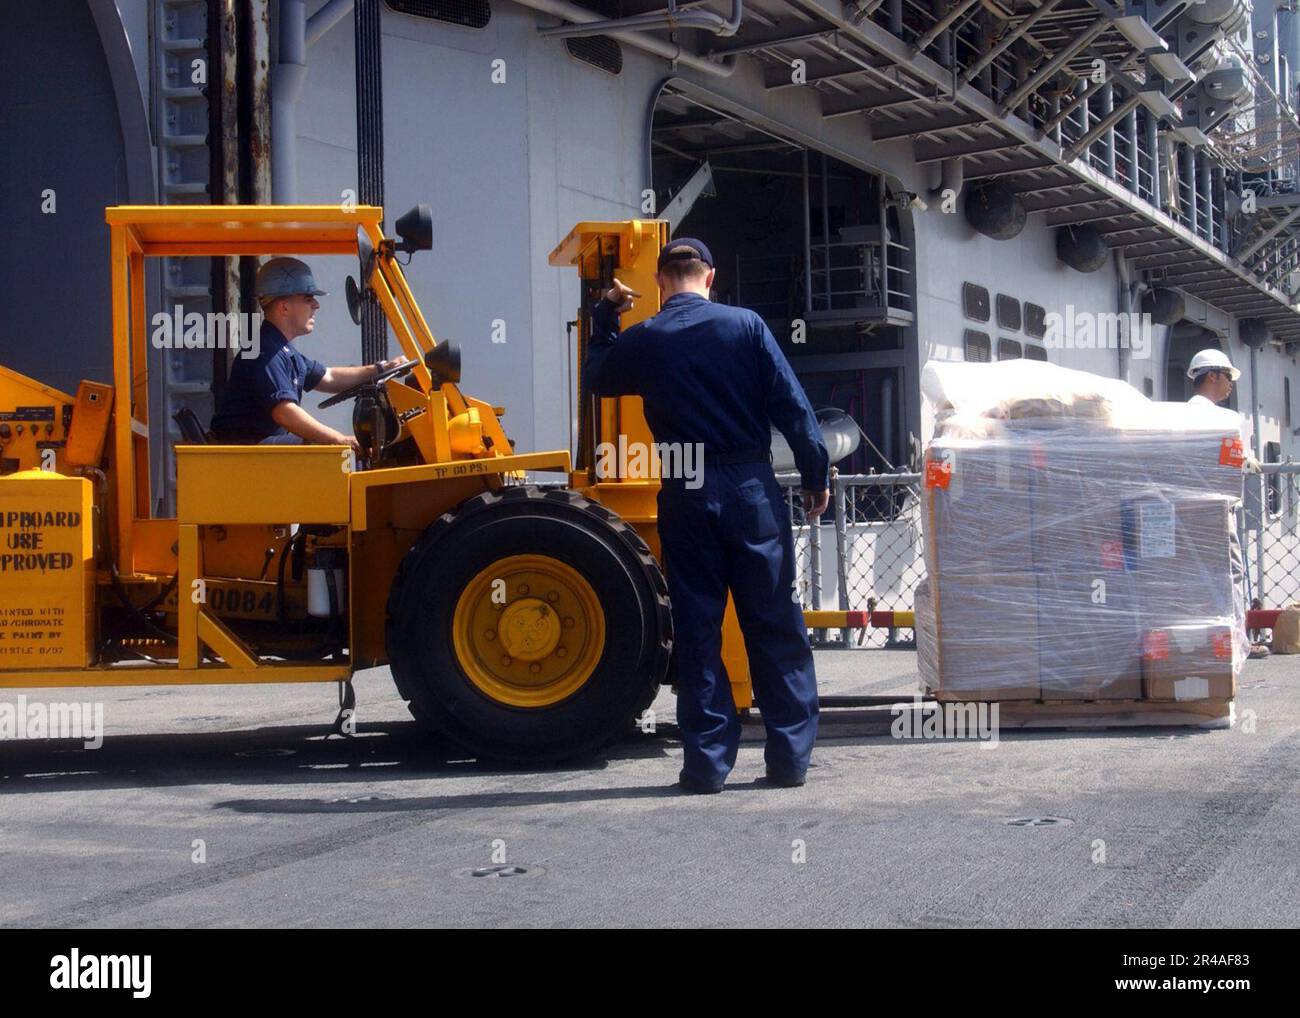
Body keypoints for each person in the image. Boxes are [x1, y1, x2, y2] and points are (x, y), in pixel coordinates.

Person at [586, 238, 830, 794]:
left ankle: (706, 766)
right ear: (710, 276)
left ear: (660, 281)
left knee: (697, 630)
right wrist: (815, 474)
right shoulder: (745, 326)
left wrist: (606, 314)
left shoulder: (646, 337)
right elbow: (792, 406)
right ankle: (789, 759)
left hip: (686, 485)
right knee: (772, 622)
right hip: (749, 486)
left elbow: (600, 378)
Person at [211, 257, 406, 451]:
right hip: (246, 453)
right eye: (308, 298)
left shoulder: (281, 350)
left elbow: (328, 377)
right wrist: (338, 439)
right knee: (319, 447)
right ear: (284, 307)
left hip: (254, 452)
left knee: (321, 445)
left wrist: (382, 368)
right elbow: (285, 412)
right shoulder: (265, 352)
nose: (316, 305)